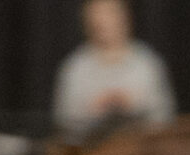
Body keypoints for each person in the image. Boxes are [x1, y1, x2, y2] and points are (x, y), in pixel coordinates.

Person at [51, 0, 176, 142]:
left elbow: (165, 116)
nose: (102, 21)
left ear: (124, 17)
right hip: (91, 148)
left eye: (109, 13)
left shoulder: (147, 63)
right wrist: (94, 109)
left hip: (140, 146)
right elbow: (63, 121)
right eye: (96, 16)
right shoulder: (75, 67)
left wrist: (132, 105)